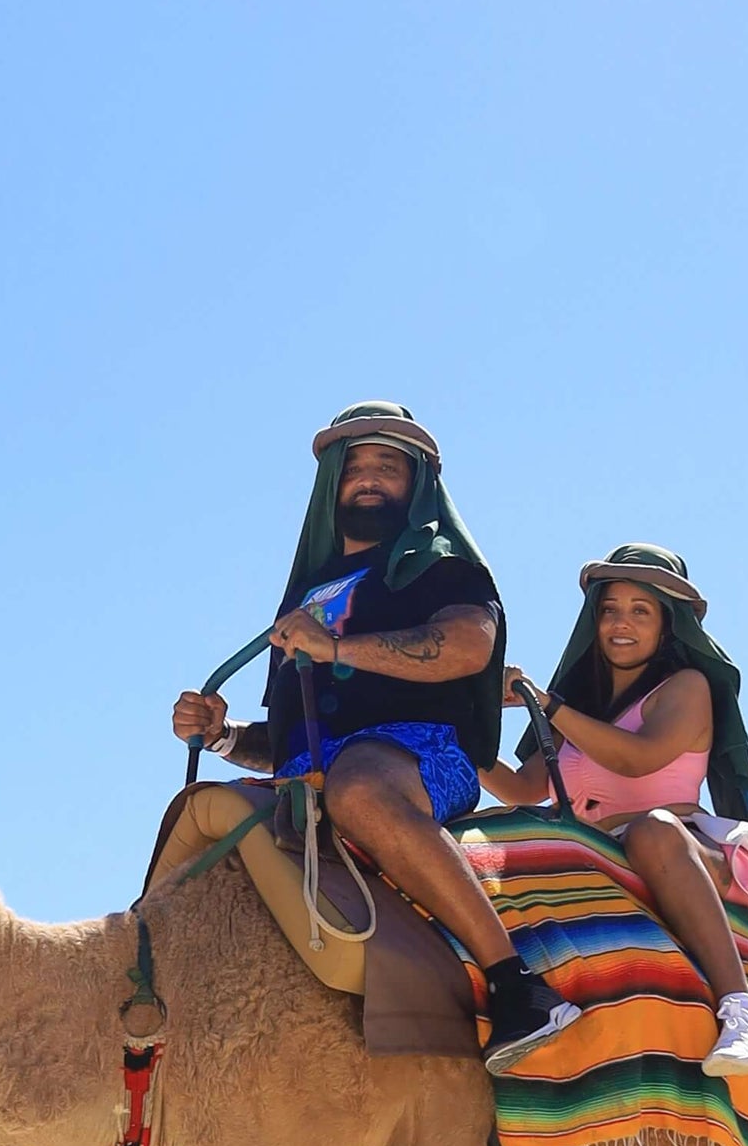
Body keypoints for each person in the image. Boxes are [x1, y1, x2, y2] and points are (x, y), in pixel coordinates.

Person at [170, 402, 579, 1072]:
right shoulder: (307, 594)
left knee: (358, 784)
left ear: (415, 484)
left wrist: (335, 647)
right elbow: (293, 733)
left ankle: (517, 986)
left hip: (420, 757)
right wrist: (222, 734)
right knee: (200, 832)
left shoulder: (440, 565)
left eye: (386, 466)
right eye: (353, 467)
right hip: (311, 774)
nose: (368, 478)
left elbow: (470, 645)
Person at [486, 542, 748, 1080]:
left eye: (639, 611)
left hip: (677, 849)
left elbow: (638, 760)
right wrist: (463, 727)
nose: (621, 623)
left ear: (668, 625)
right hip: (593, 856)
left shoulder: (686, 689)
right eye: (609, 609)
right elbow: (524, 789)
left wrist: (547, 704)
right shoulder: (580, 702)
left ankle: (742, 1013)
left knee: (652, 832)